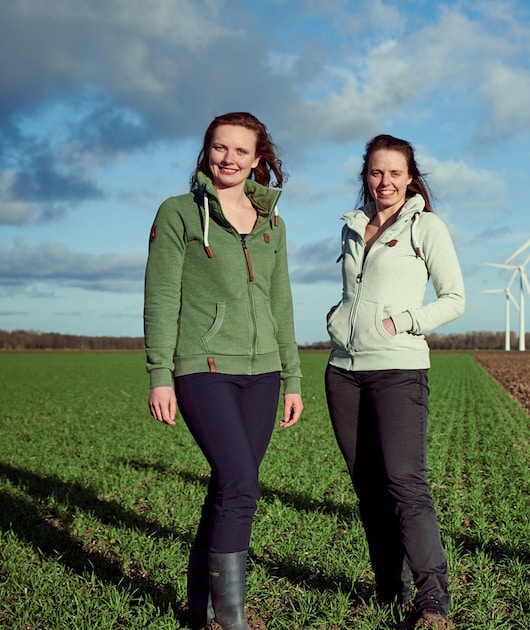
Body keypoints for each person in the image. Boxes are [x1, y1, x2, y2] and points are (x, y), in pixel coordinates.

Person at [144, 112, 303, 630]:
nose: (228, 159)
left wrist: (293, 378)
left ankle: (199, 609)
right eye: (219, 148)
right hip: (202, 368)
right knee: (241, 483)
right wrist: (159, 374)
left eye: (240, 151)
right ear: (206, 151)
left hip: (263, 374)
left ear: (259, 159)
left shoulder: (274, 226)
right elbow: (163, 296)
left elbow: (281, 303)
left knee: (226, 487)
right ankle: (230, 622)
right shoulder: (179, 214)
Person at [325, 135, 465, 629]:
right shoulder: (352, 226)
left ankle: (433, 602)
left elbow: (454, 298)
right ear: (366, 175)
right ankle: (390, 590)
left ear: (410, 178)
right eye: (376, 173)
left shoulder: (425, 226)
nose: (385, 182)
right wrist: (337, 317)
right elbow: (353, 291)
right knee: (368, 487)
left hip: (399, 369)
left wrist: (402, 321)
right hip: (343, 370)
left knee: (406, 484)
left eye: (395, 173)